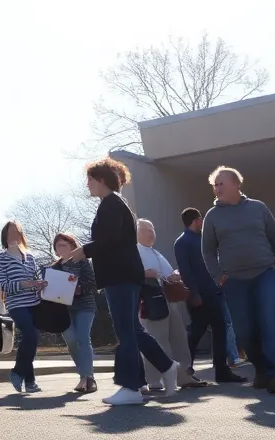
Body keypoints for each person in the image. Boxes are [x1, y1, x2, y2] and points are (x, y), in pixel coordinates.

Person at [64, 157, 178, 407]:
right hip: (123, 276)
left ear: (101, 180)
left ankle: (131, 387)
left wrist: (85, 250)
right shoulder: (112, 204)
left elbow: (111, 239)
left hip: (121, 277)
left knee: (126, 331)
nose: (87, 184)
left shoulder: (112, 204)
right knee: (133, 330)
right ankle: (164, 369)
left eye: (90, 179)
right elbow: (112, 238)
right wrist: (87, 250)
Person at [201, 166, 275, 394]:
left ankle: (274, 375)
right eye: (215, 184)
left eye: (221, 183)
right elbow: (208, 251)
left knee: (268, 322)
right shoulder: (212, 216)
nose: (217, 188)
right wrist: (218, 275)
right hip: (234, 281)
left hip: (265, 273)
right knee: (244, 329)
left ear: (236, 184)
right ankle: (261, 369)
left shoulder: (258, 208)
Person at [174, 207, 244, 384]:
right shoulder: (183, 242)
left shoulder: (204, 240)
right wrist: (194, 294)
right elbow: (185, 271)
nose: (202, 222)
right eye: (200, 219)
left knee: (218, 329)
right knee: (196, 331)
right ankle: (184, 370)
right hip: (200, 295)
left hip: (214, 292)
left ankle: (221, 370)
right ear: (195, 220)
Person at [137, 219, 207, 390]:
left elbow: (167, 274)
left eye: (152, 229)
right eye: (146, 229)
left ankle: (184, 376)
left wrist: (174, 276)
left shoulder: (156, 252)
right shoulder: (134, 252)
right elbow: (129, 275)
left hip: (168, 299)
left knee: (179, 338)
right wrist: (145, 273)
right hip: (151, 301)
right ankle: (154, 379)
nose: (151, 232)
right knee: (158, 339)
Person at [0, 220, 46, 393]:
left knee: (30, 340)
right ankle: (17, 373)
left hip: (34, 303)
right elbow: (4, 285)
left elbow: (36, 278)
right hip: (16, 305)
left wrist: (39, 284)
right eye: (9, 232)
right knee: (30, 337)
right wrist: (24, 284)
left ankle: (30, 382)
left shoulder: (30, 256)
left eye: (16, 232)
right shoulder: (1, 258)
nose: (13, 235)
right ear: (5, 236)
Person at [52, 232, 98, 393]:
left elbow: (93, 282)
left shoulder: (82, 261)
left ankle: (88, 378)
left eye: (64, 244)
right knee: (71, 340)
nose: (61, 248)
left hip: (85, 305)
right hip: (64, 309)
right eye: (58, 246)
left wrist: (79, 288)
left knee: (83, 338)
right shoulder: (54, 267)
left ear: (72, 246)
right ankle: (83, 376)